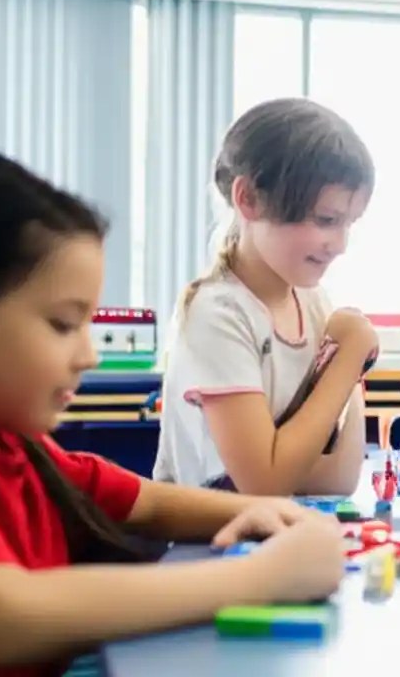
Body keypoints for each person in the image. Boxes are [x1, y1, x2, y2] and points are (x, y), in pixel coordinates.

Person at [0, 149, 347, 677]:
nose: (89, 355)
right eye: (63, 324)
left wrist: (278, 518)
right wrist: (263, 578)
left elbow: (144, 502)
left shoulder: (13, 446)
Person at [156, 98, 380, 495]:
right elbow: (266, 484)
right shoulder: (217, 314)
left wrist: (349, 359)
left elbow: (338, 480)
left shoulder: (313, 304)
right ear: (249, 199)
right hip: (204, 544)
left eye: (350, 223)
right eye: (326, 220)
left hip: (278, 532)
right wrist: (351, 353)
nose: (340, 244)